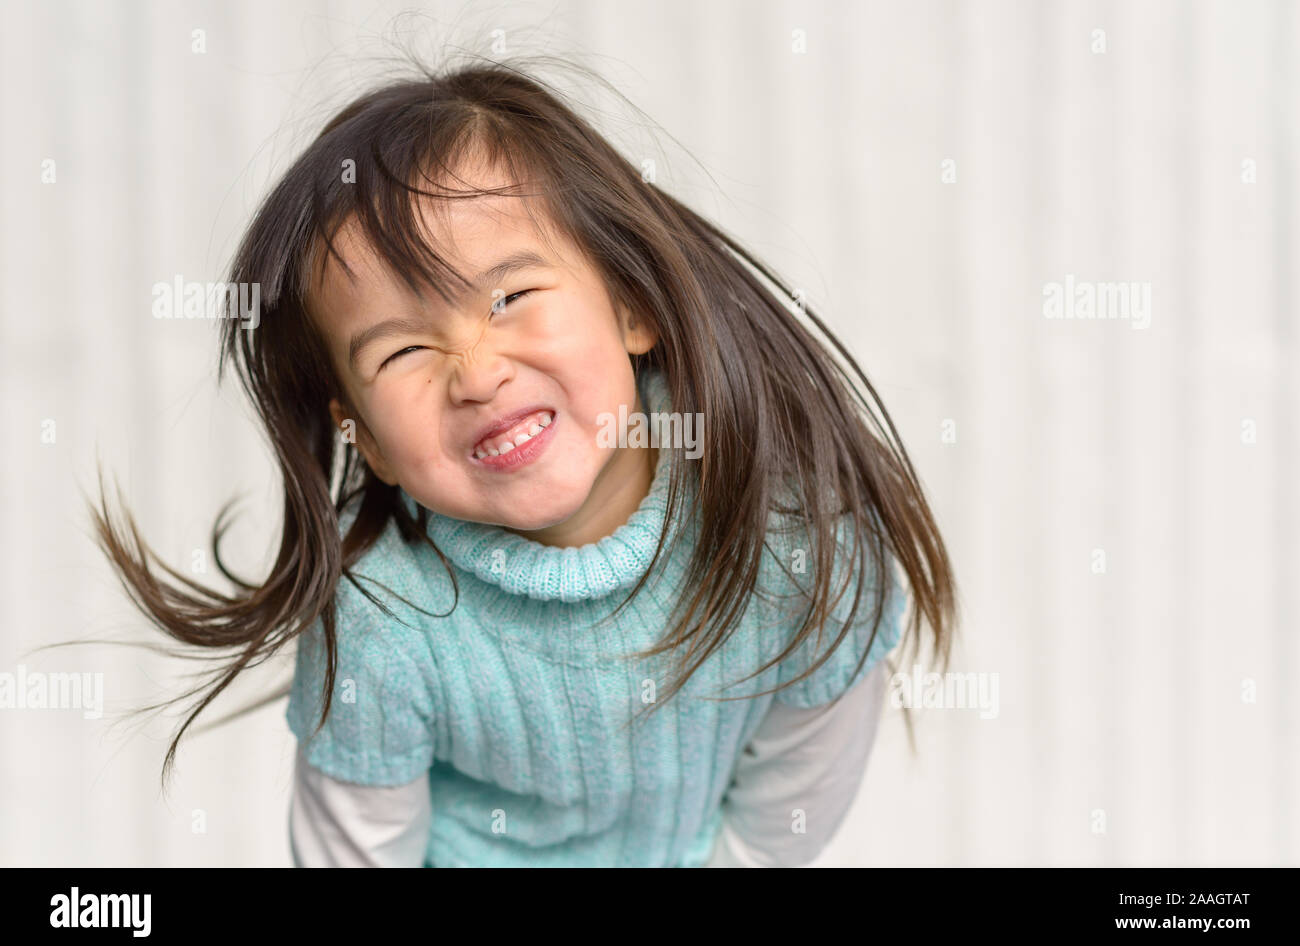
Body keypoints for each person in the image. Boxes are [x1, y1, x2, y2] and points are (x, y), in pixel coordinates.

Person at [91, 58, 956, 866]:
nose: (476, 371)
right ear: (368, 439)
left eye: (510, 296)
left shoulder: (796, 551)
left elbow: (778, 831)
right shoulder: (384, 623)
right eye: (400, 353)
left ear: (632, 304)